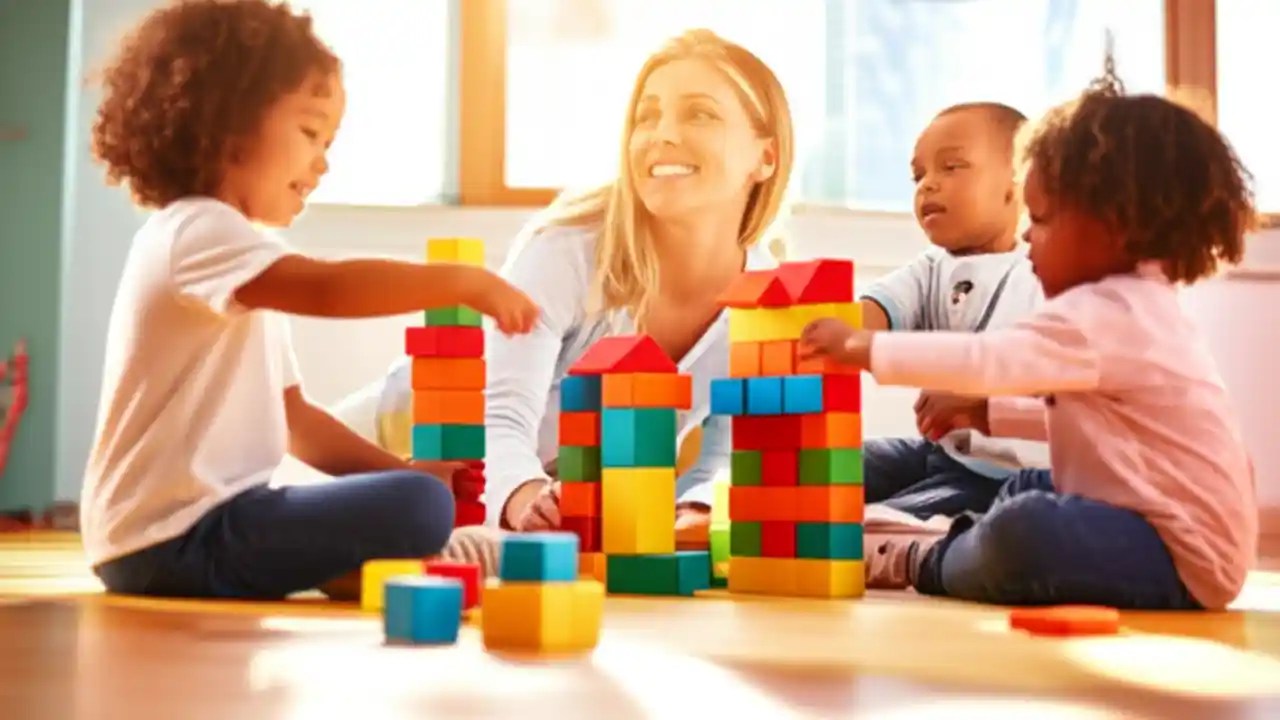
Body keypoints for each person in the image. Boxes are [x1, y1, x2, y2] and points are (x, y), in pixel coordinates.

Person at [79, 0, 539, 600]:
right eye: (309, 132)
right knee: (419, 506)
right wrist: (460, 281)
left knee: (413, 495)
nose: (322, 162)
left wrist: (399, 471)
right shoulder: (196, 230)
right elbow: (327, 287)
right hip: (175, 536)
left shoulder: (240, 261)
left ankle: (370, 563)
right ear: (227, 123)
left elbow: (297, 422)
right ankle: (433, 553)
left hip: (193, 530)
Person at [799, 70, 1259, 610]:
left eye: (1039, 219)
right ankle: (949, 534)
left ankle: (922, 557)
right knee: (1026, 490)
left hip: (1177, 554)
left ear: (1111, 227)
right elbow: (1101, 427)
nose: (1024, 235)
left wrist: (863, 349)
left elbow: (993, 358)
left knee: (1025, 531)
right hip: (1135, 514)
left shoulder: (1108, 311)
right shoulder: (1135, 308)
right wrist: (989, 416)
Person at [338, 28, 794, 543]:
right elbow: (495, 413)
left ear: (767, 157)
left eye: (700, 113)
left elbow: (728, 458)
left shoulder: (764, 303)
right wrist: (526, 496)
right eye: (646, 115)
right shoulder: (569, 251)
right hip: (385, 444)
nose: (661, 134)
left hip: (511, 505)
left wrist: (694, 510)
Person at [857, 102, 1048, 520]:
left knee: (879, 520)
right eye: (918, 174)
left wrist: (982, 397)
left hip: (1003, 476)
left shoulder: (1044, 274)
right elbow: (876, 311)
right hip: (939, 453)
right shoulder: (931, 267)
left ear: (1018, 182)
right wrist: (825, 333)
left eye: (951, 167)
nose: (927, 185)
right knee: (833, 466)